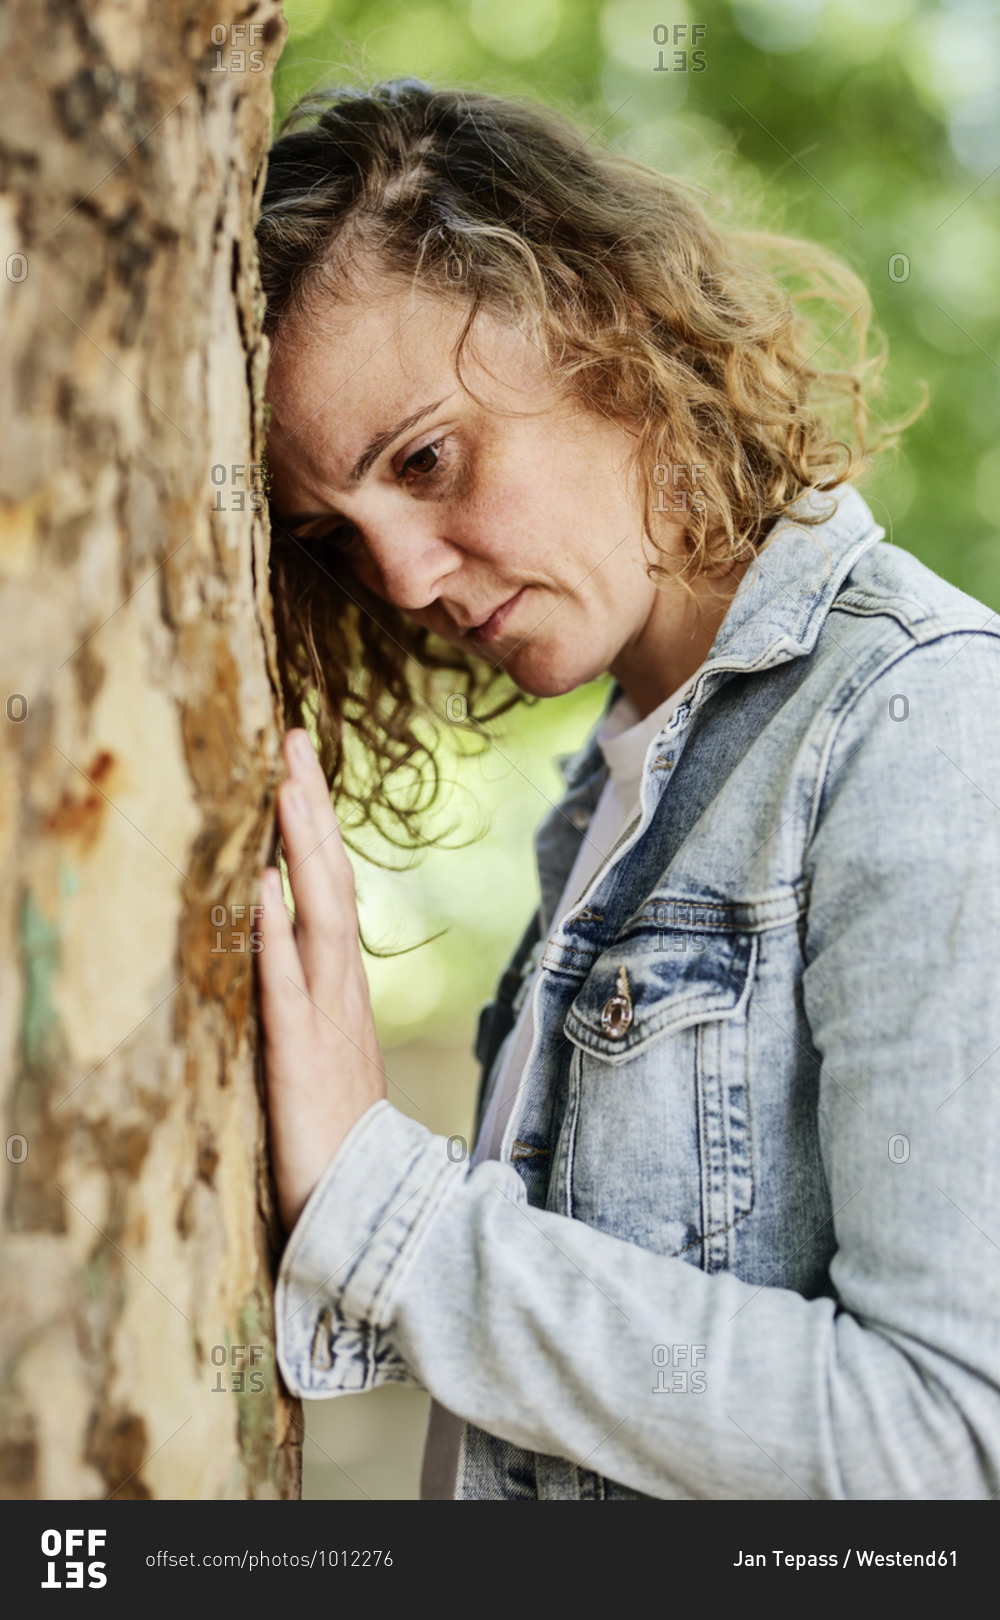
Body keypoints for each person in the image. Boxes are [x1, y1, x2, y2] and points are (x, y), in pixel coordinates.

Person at [254, 79, 1000, 1499]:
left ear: (602, 328)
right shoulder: (616, 801)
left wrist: (384, 1209)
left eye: (427, 458)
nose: (403, 579)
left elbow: (948, 1444)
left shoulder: (920, 721)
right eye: (336, 536)